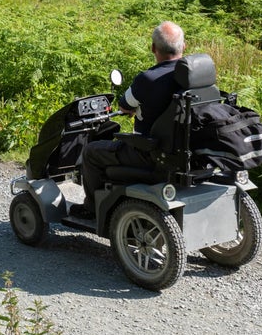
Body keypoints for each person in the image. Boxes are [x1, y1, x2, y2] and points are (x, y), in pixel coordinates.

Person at [75, 21, 186, 217]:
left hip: (149, 153)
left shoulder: (148, 79)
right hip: (185, 152)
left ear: (153, 48)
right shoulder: (196, 75)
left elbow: (125, 106)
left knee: (91, 151)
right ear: (184, 47)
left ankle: (92, 209)